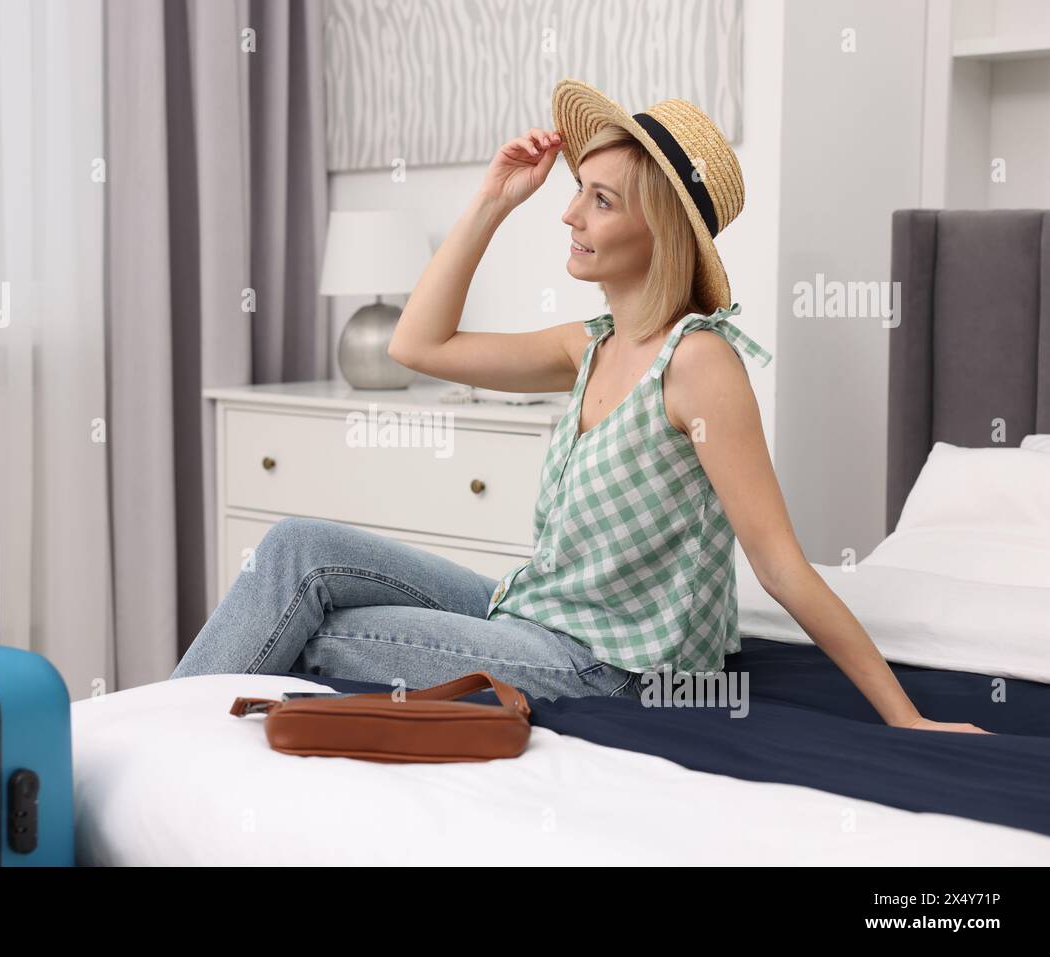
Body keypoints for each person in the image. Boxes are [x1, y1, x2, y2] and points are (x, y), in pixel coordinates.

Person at [173, 79, 988, 733]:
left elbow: (779, 566)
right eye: (578, 192)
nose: (568, 211)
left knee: (313, 635)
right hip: (528, 609)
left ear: (660, 230)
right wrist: (494, 198)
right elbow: (417, 345)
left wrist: (907, 717)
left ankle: (157, 735)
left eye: (600, 199)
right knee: (293, 552)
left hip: (610, 666)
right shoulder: (588, 343)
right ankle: (156, 725)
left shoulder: (700, 364)